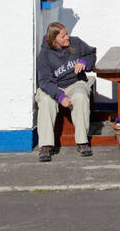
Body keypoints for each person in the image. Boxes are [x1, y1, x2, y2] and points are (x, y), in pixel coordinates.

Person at [35, 22, 96, 161]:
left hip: (75, 83)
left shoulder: (76, 43)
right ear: (54, 40)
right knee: (45, 100)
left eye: (67, 33)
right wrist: (60, 96)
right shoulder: (44, 55)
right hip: (54, 86)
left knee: (80, 96)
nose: (67, 37)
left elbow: (92, 53)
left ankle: (82, 141)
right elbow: (44, 82)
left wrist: (84, 62)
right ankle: (45, 146)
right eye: (63, 36)